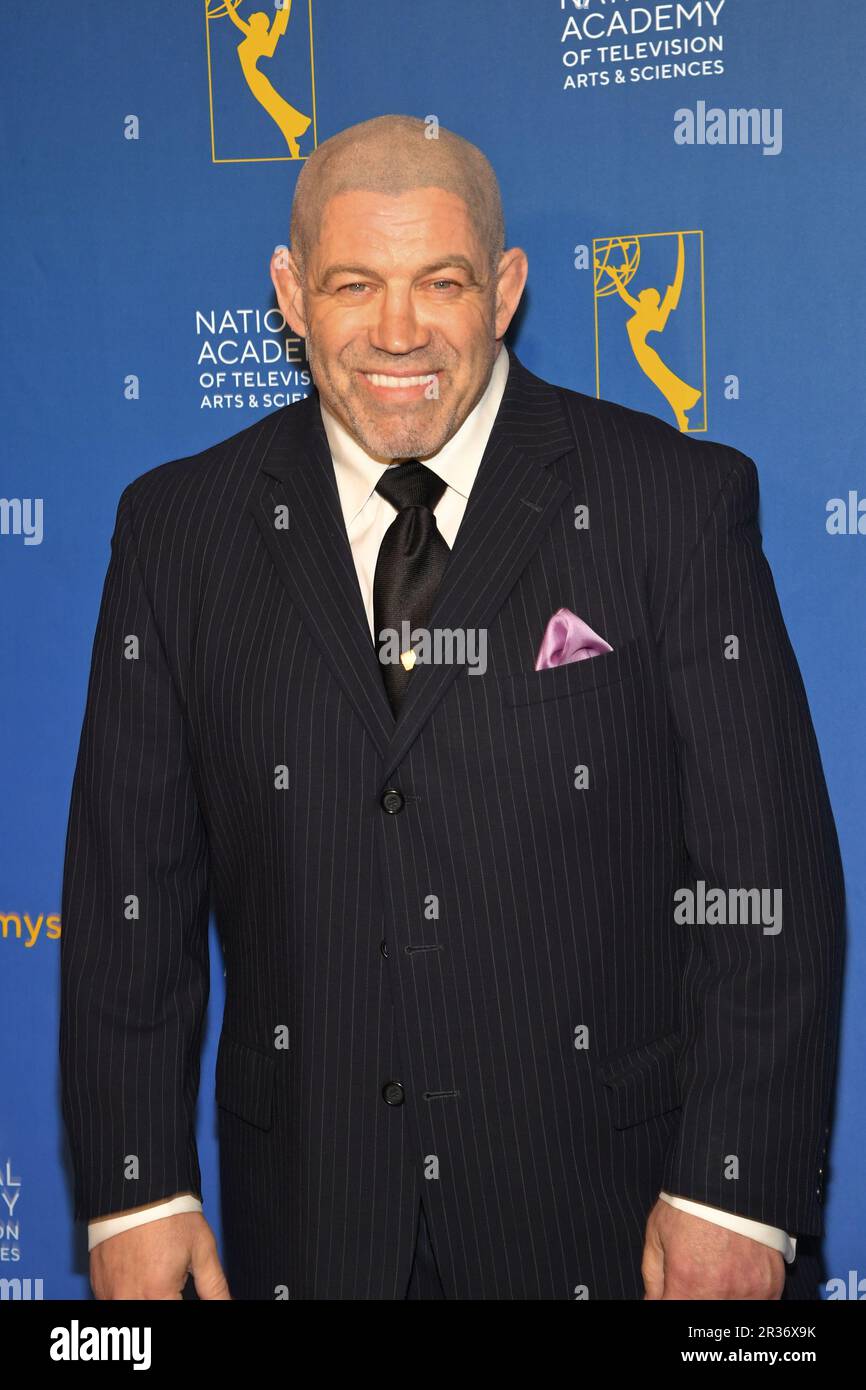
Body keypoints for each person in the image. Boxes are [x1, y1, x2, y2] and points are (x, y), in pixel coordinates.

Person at [60, 114, 844, 1301]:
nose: (395, 330)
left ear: (506, 289)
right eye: (351, 283)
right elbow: (130, 902)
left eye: (441, 281)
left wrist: (733, 1191)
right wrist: (137, 1189)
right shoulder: (178, 533)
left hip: (619, 1224)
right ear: (287, 293)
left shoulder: (670, 504)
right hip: (306, 1231)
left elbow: (767, 879)